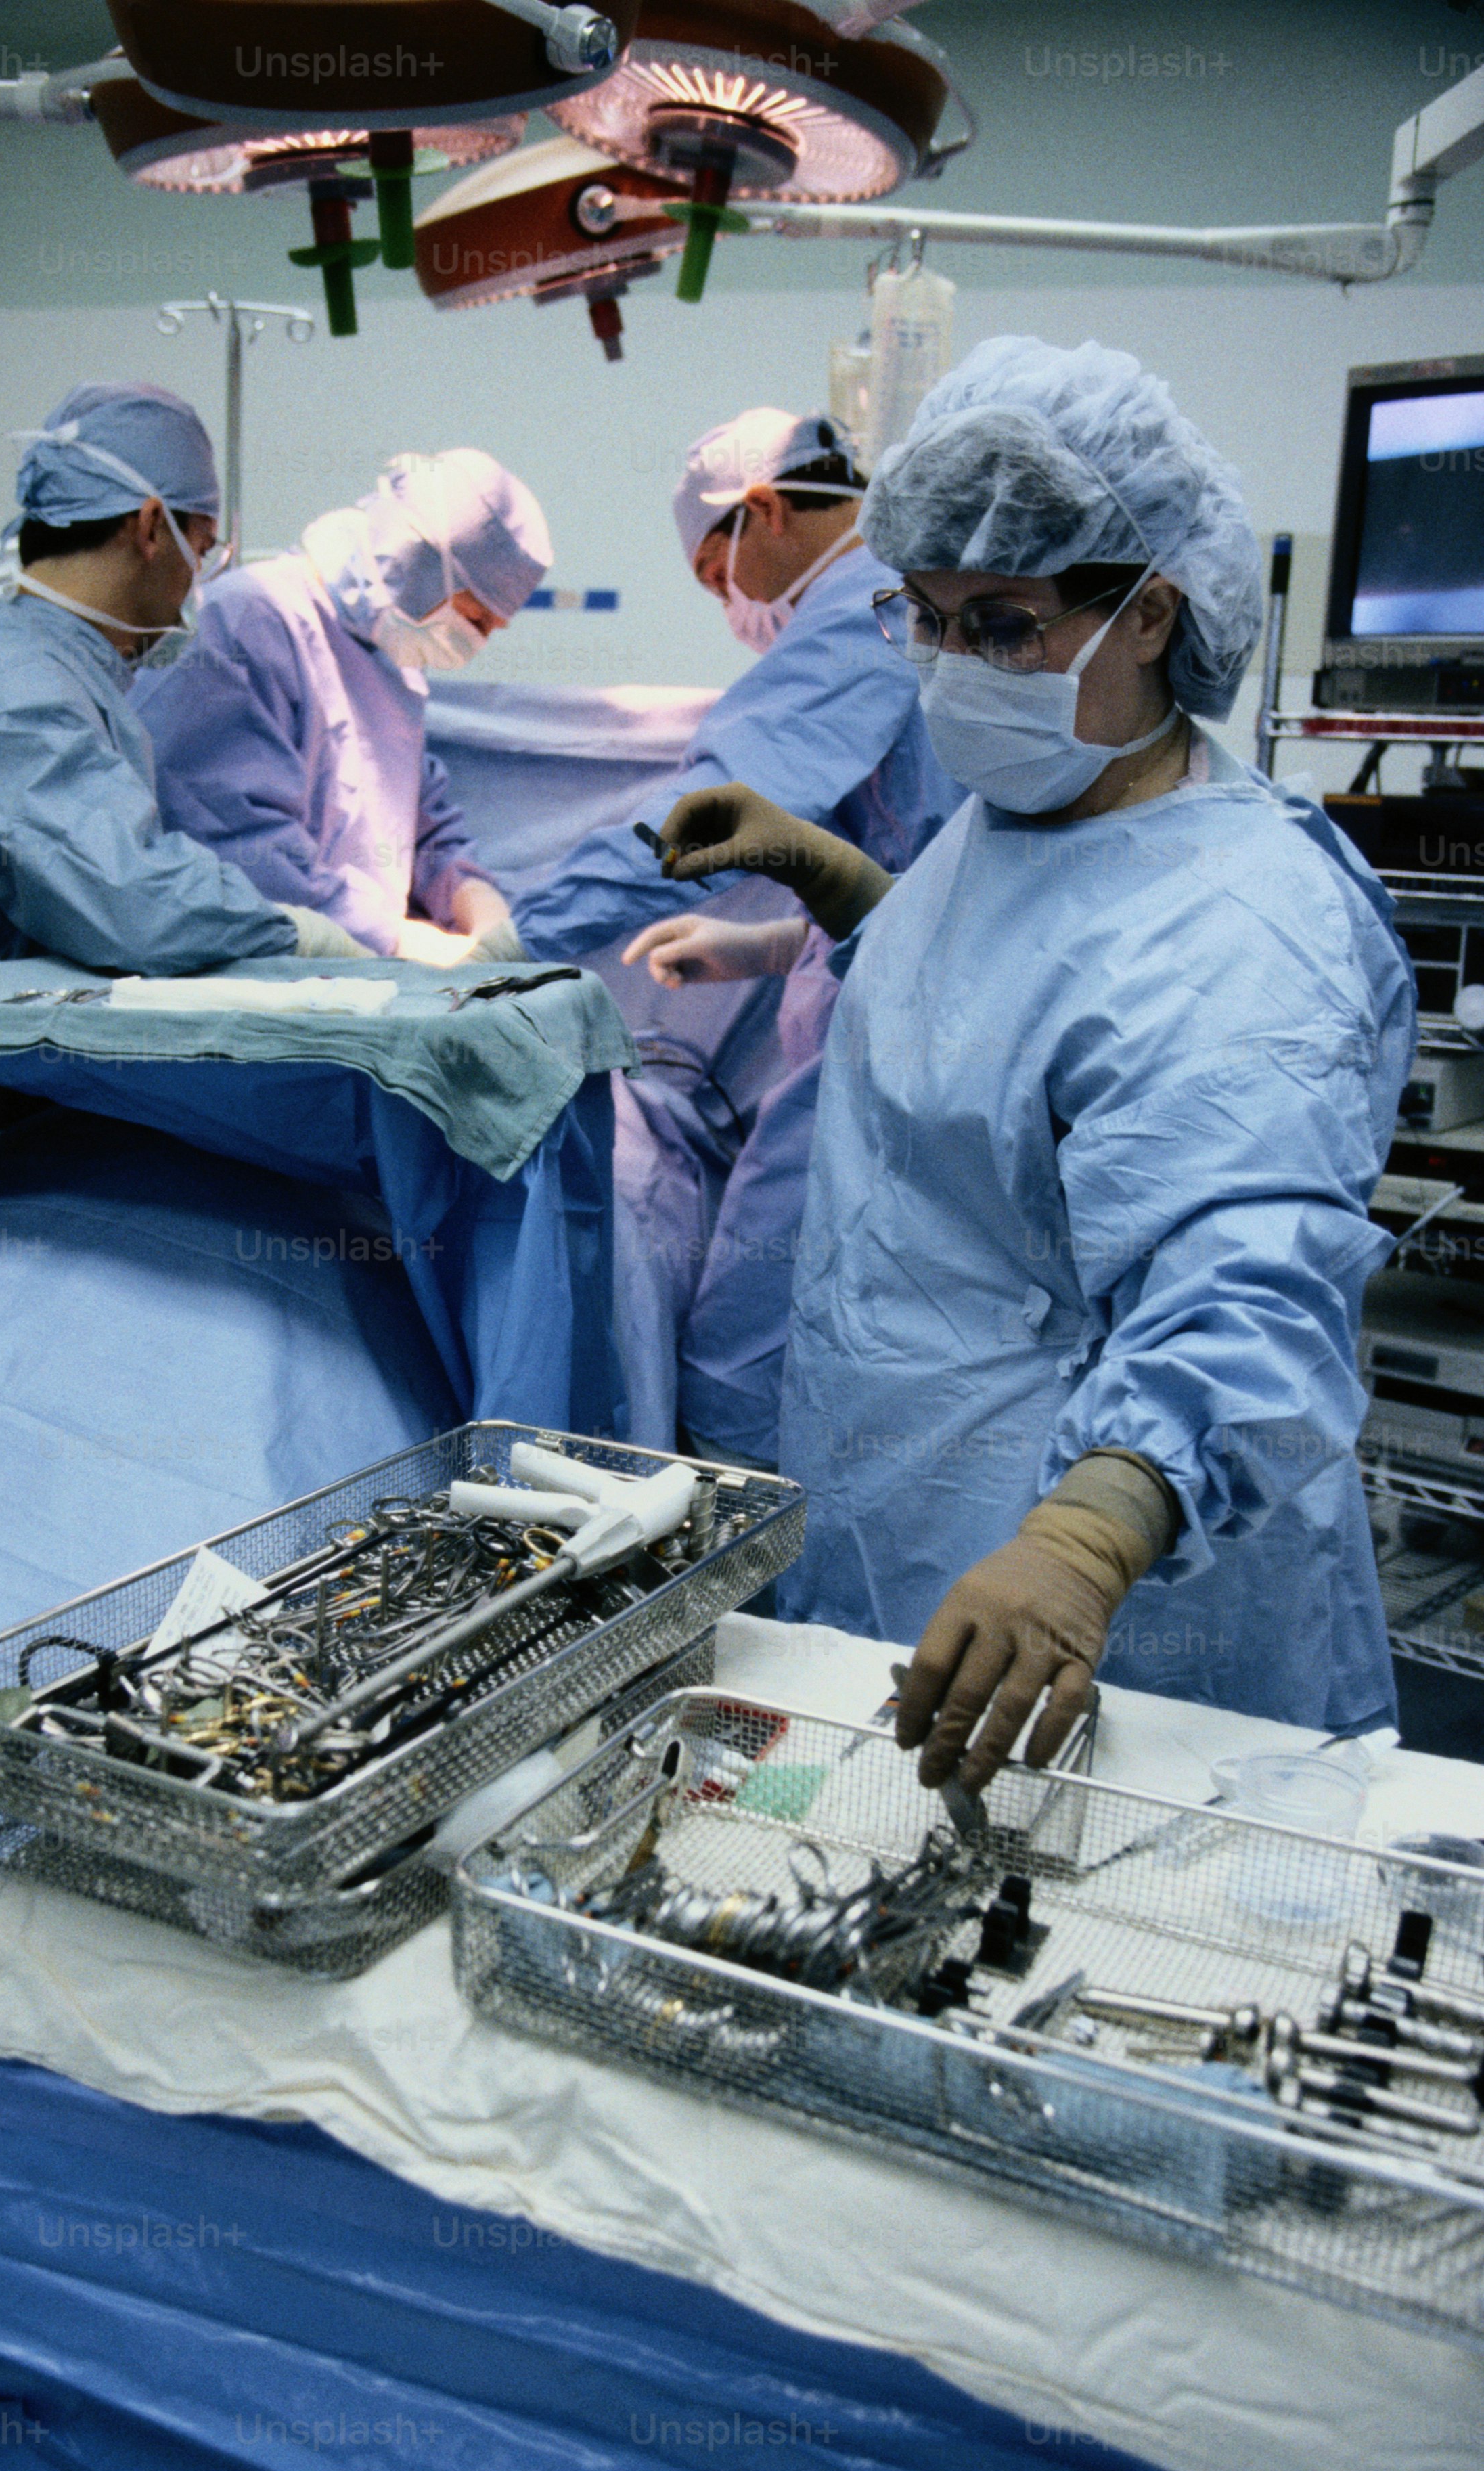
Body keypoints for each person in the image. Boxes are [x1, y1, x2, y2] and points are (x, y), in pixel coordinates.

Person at [653, 336, 1415, 1782]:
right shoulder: (1025, 815)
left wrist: (1080, 1540)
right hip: (911, 1504)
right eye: (923, 619)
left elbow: (1247, 1282)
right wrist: (832, 881)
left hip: (1106, 1603)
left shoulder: (1243, 924)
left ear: (1147, 613)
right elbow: (1000, 1054)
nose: (951, 668)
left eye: (1000, 624)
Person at [0, 382, 357, 1290]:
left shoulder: (13, 662)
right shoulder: (13, 697)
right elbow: (131, 900)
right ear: (152, 527)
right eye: (203, 544)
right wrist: (295, 931)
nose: (200, 577)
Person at [512, 409, 962, 1466]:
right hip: (911, 1012)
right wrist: (763, 948)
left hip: (892, 1050)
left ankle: (747, 1600)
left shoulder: (862, 607)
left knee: (732, 1373)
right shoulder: (903, 603)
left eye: (719, 577)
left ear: (759, 512)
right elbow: (910, 868)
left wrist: (513, 941)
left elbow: (708, 809)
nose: (730, 608)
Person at [131, 450, 551, 964]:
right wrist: (400, 940)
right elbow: (235, 843)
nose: (476, 642)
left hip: (350, 978)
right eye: (477, 620)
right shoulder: (248, 621)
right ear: (418, 564)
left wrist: (481, 909)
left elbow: (421, 825)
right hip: (259, 972)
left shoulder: (390, 654)